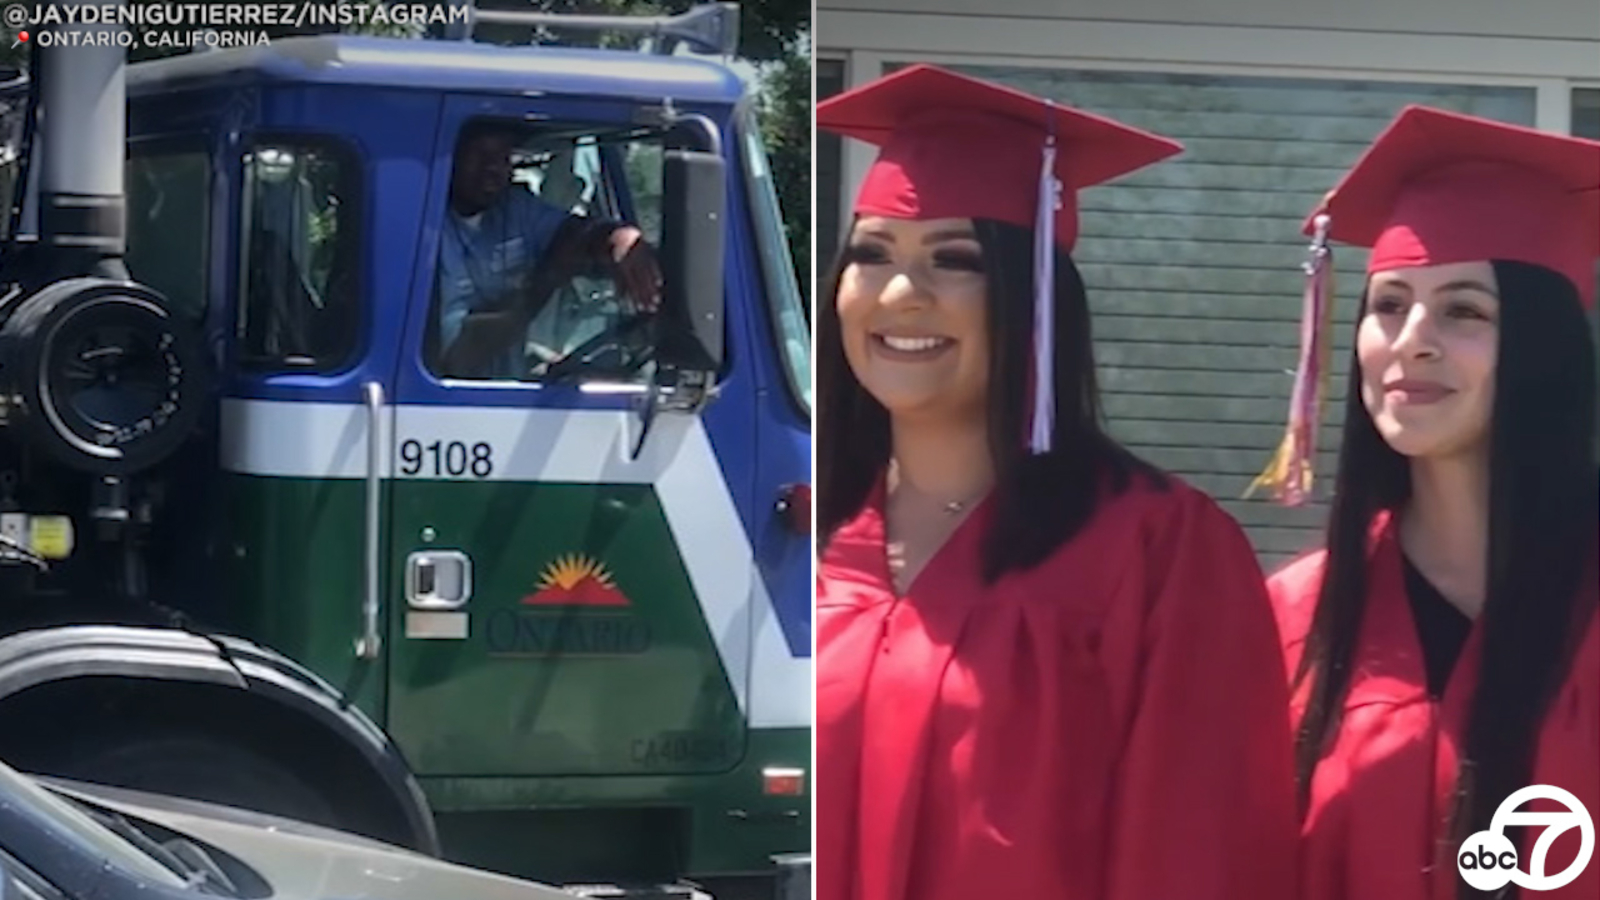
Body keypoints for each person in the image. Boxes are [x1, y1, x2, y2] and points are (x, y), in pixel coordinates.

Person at [813, 64, 1300, 900]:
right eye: (870, 253)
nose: (900, 292)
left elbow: (1196, 856)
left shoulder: (1159, 551)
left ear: (1033, 297)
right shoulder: (801, 533)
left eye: (955, 259)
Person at [1256, 106, 1600, 900]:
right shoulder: (1296, 621)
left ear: (1544, 351)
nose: (1412, 338)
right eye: (1389, 303)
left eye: (1465, 310)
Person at [434, 120, 661, 378]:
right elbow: (458, 355)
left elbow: (572, 232)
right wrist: (548, 278)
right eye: (479, 154)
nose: (493, 167)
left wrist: (617, 237)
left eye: (503, 155)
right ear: (448, 157)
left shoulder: (513, 208)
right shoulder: (426, 227)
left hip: (509, 394)